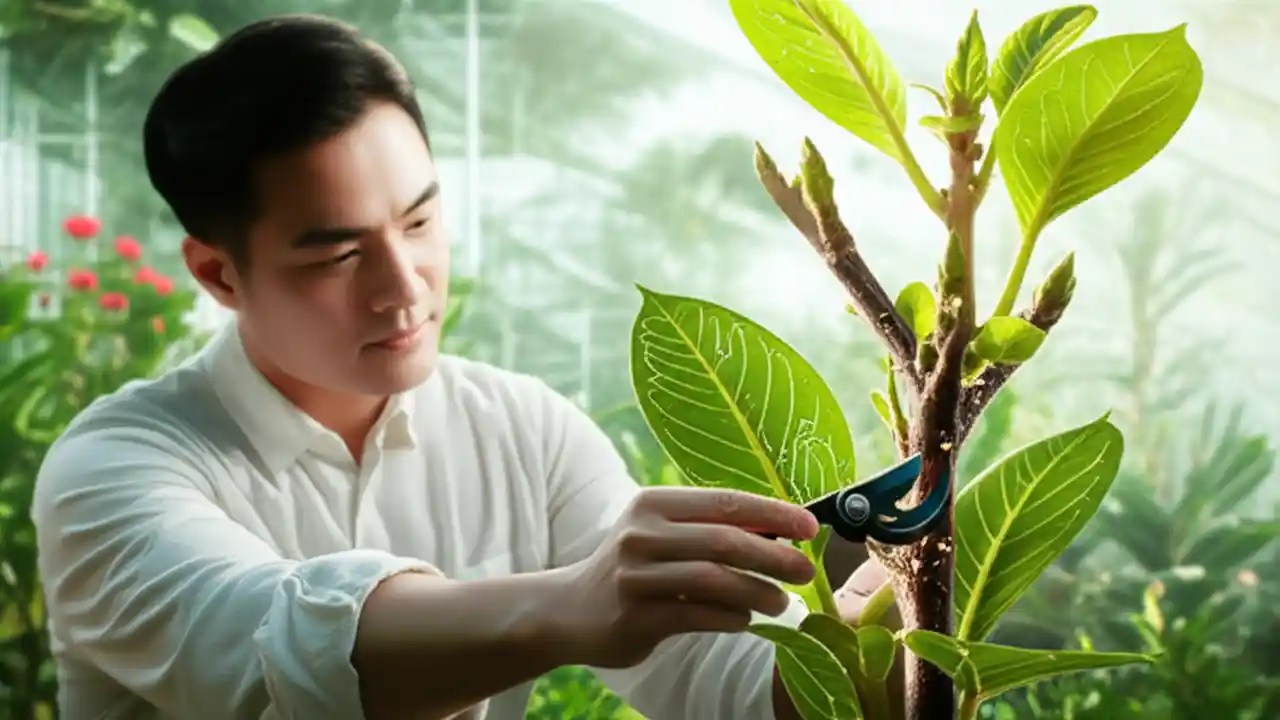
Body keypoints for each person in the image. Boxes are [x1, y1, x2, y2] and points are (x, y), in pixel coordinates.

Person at [32, 14, 888, 720]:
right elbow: (275, 648)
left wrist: (884, 617)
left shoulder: (525, 431)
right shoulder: (112, 470)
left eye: (418, 223)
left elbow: (715, 685)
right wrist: (567, 605)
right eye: (337, 257)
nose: (404, 288)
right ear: (220, 273)